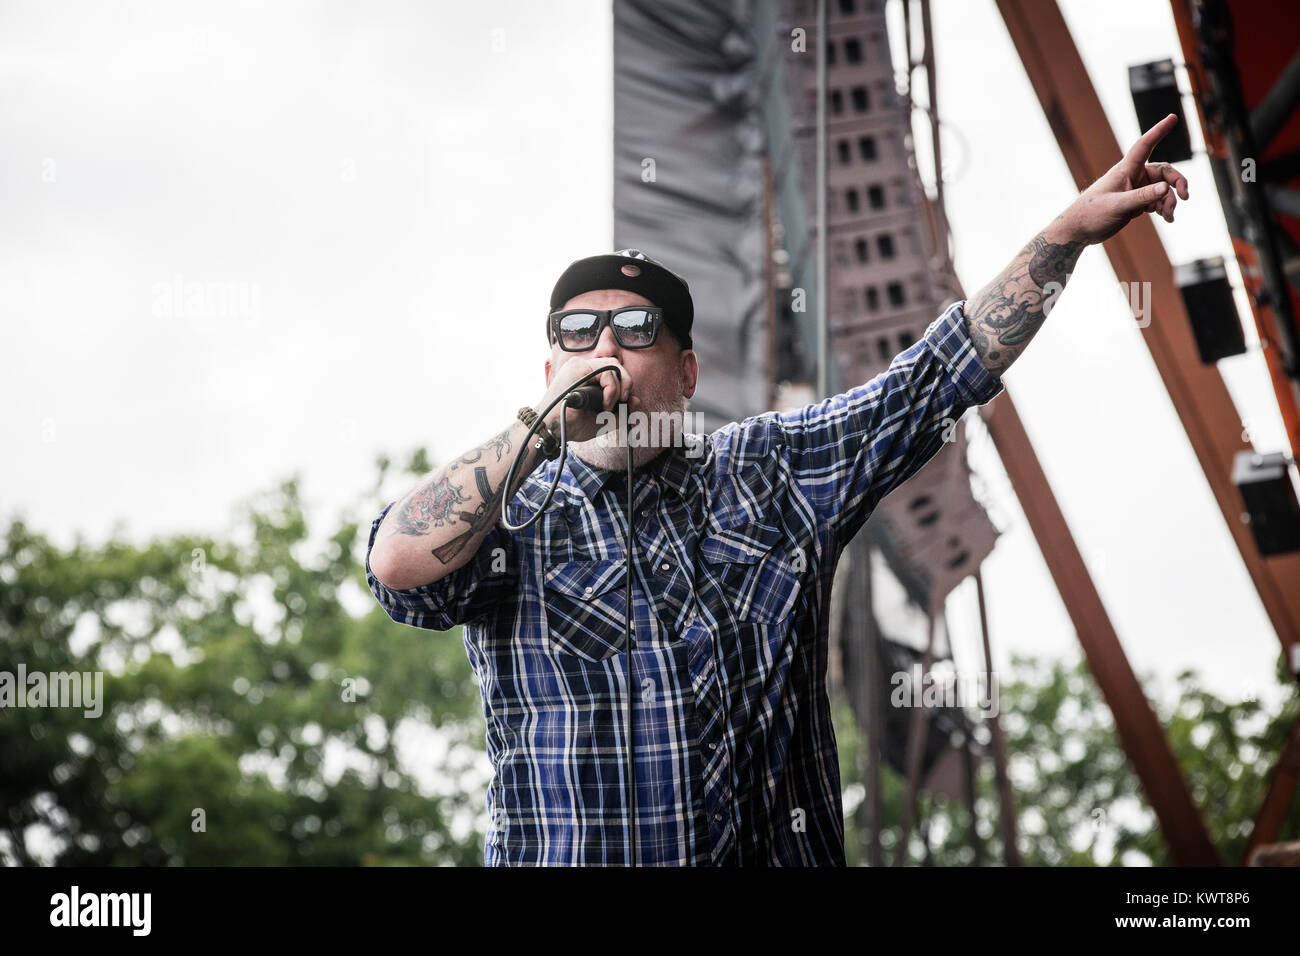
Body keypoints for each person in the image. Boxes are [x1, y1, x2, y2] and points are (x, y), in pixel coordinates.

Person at [365, 115, 1189, 865]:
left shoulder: (764, 471)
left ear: (686, 372)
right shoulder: (507, 513)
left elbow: (932, 379)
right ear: (550, 367)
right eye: (578, 331)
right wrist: (543, 427)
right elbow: (397, 565)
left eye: (637, 328)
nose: (605, 345)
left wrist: (1068, 234)